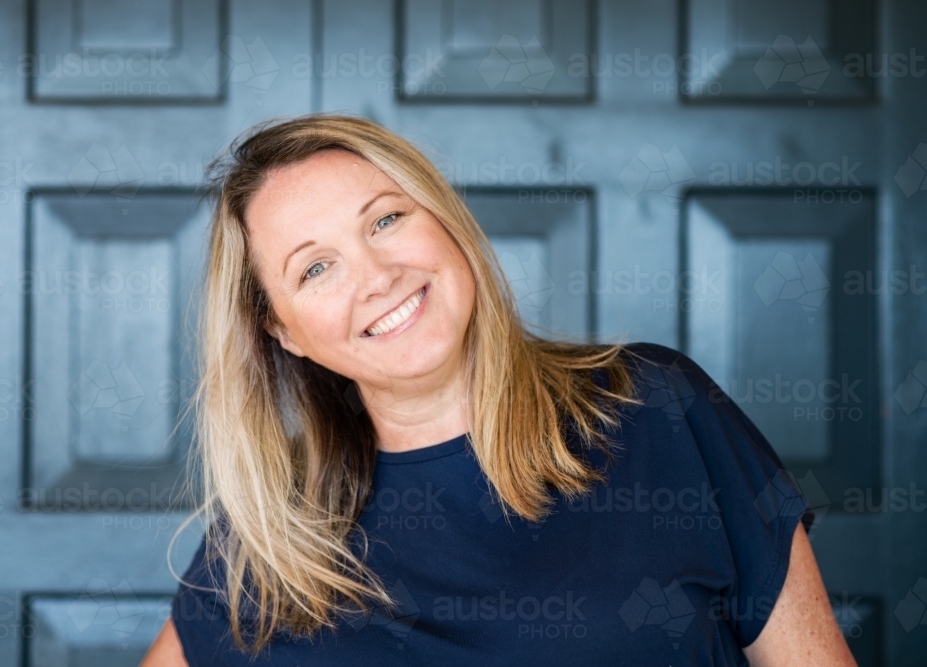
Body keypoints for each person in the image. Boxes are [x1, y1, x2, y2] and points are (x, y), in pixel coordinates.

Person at [141, 114, 856, 666]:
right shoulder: (272, 532)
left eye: (387, 219)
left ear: (445, 221)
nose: (377, 274)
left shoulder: (656, 407)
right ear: (283, 331)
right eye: (316, 268)